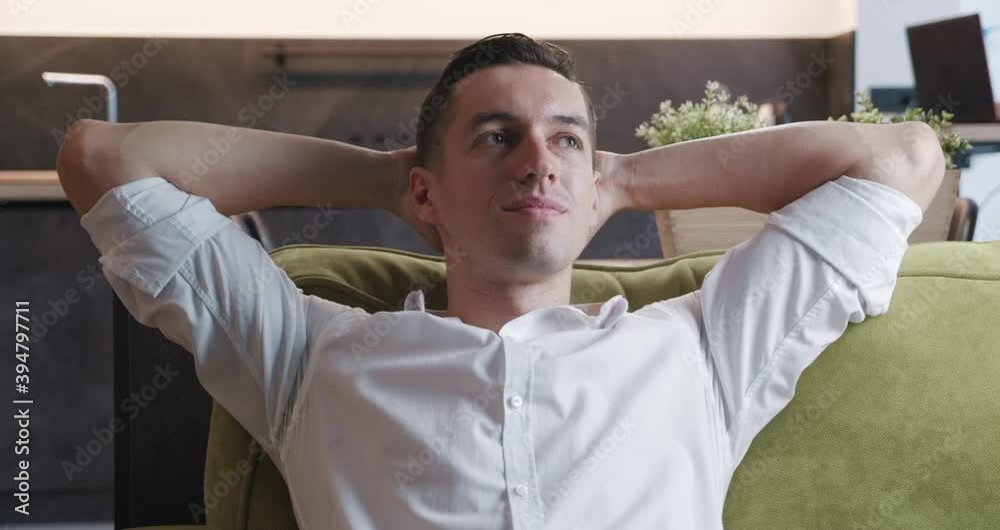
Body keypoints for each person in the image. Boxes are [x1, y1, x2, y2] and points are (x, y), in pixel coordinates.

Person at [57, 33, 944, 530]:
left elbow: (901, 157)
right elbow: (103, 157)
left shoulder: (702, 347)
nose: (538, 162)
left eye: (566, 139)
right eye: (495, 137)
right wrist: (381, 178)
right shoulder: (308, 354)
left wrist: (625, 180)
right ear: (425, 187)